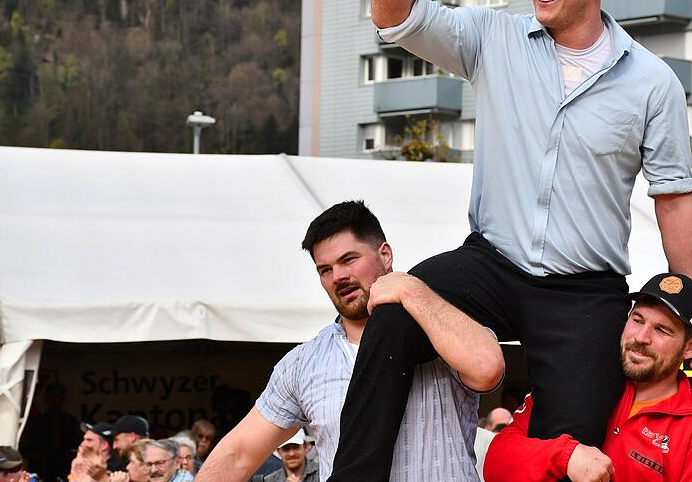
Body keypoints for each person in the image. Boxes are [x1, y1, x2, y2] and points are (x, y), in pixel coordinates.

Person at [333, 0, 692, 480]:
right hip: (491, 261)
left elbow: (676, 201)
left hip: (585, 291)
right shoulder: (495, 38)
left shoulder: (652, 82)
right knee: (393, 312)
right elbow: (395, 14)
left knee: (571, 454)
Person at [196, 201, 503, 482]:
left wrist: (411, 291)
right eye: (325, 269)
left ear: (385, 254)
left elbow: (486, 369)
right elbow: (238, 456)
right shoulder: (305, 363)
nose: (338, 276)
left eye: (349, 260)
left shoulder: (439, 324)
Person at [483, 273, 692, 482]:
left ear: (691, 347)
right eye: (637, 320)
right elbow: (495, 463)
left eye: (662, 330)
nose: (641, 337)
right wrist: (566, 457)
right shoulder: (577, 377)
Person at [19, 382, 83, 482]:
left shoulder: (70, 421)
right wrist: (38, 455)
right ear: (47, 399)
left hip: (66, 471)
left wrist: (70, 454)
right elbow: (22, 450)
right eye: (53, 397)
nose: (57, 401)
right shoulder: (36, 422)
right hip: (41, 472)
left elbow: (80, 446)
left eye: (60, 398)